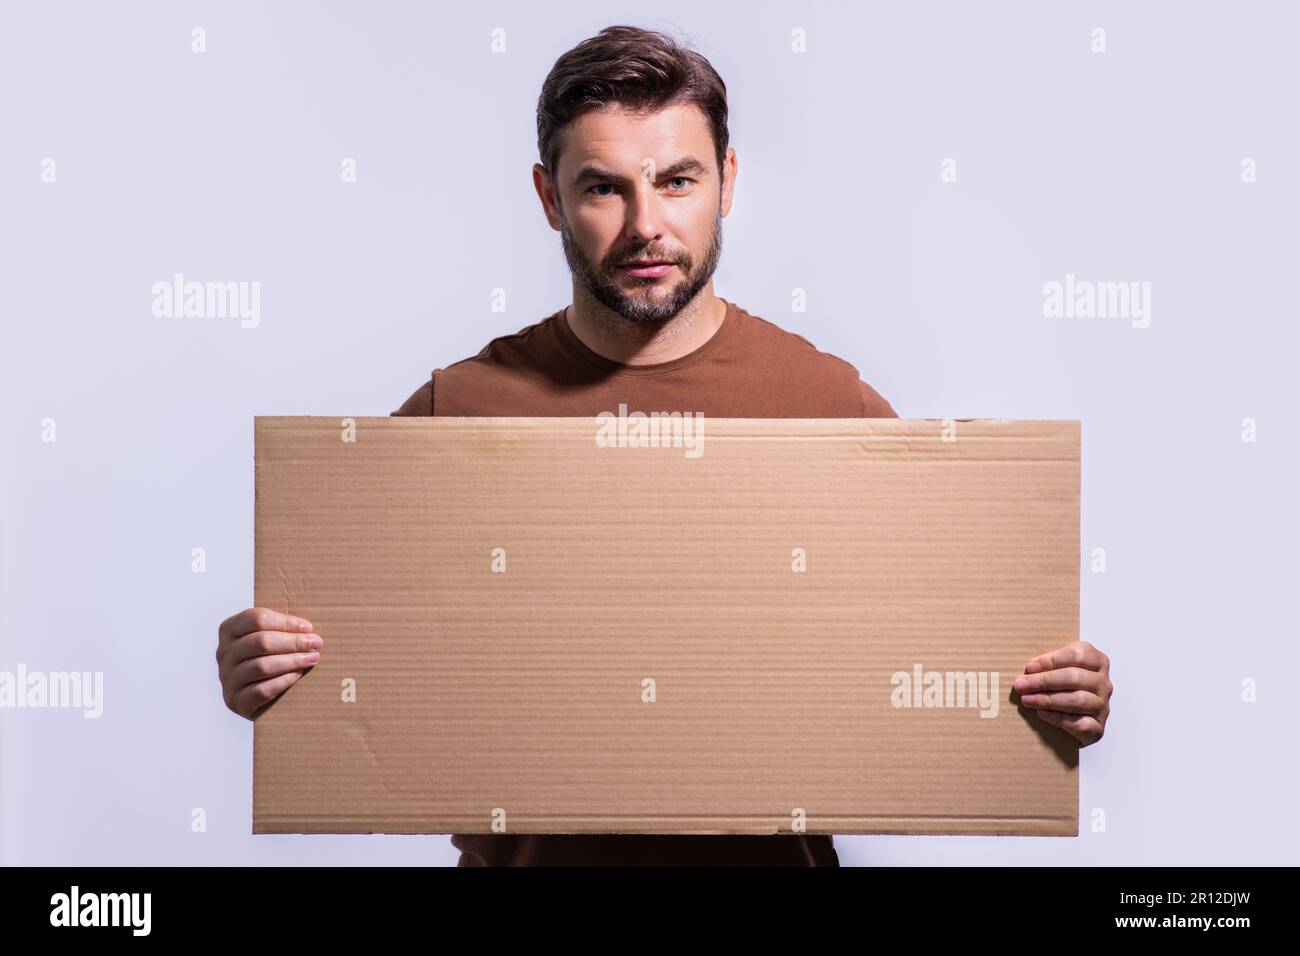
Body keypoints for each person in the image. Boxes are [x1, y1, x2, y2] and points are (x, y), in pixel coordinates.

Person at [216, 25, 1113, 866]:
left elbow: (949, 647)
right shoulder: (465, 405)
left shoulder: (827, 402)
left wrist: (1054, 694)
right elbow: (344, 653)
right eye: (604, 186)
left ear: (727, 179)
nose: (647, 224)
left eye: (678, 181)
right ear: (549, 198)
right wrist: (262, 668)